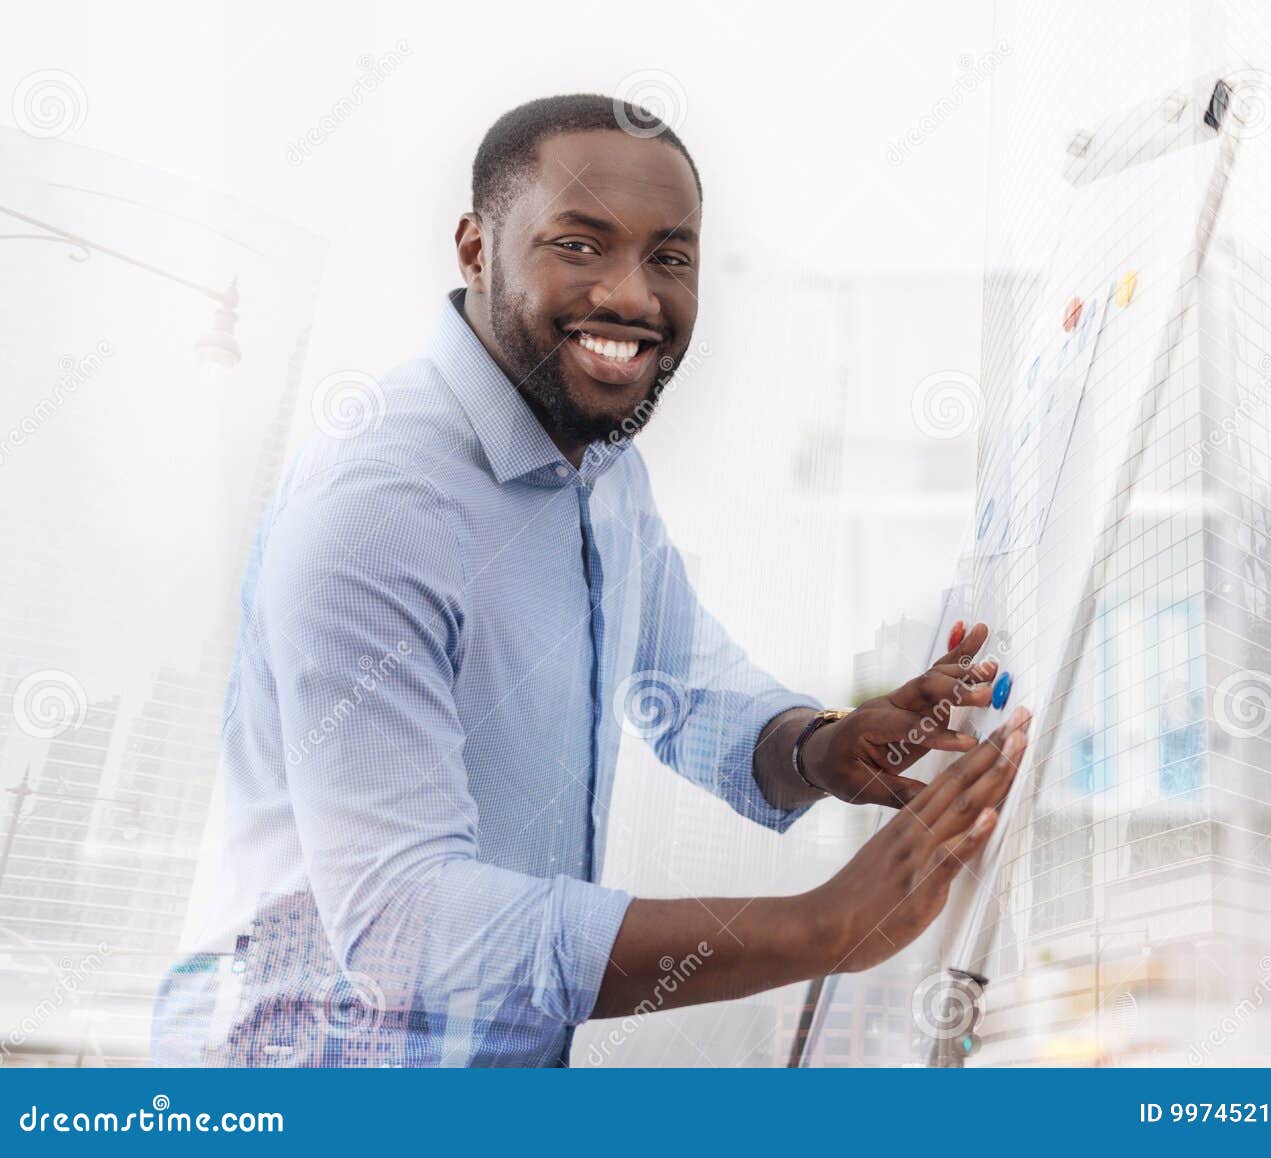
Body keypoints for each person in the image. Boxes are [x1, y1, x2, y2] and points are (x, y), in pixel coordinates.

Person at [151, 93, 1029, 1067]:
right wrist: (822, 926)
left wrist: (820, 748)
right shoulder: (381, 500)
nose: (633, 298)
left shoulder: (598, 468)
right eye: (580, 244)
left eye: (669, 257)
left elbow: (689, 693)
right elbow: (406, 923)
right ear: (476, 248)